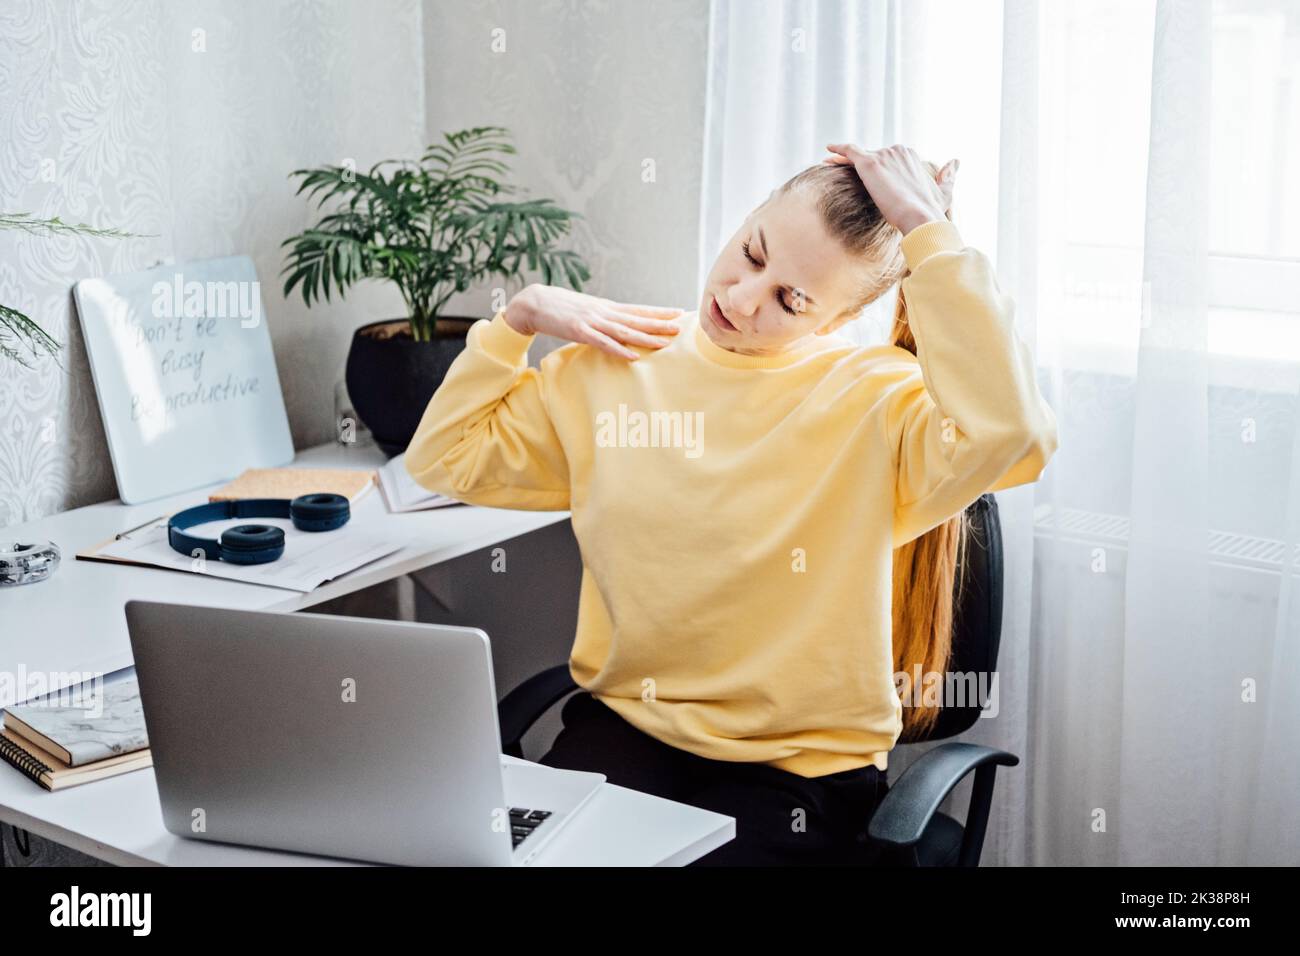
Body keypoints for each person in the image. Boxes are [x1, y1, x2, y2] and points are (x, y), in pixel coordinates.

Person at [405, 143, 1059, 866]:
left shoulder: (875, 399)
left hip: (793, 777)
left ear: (839, 319)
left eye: (792, 300)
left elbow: (1016, 433)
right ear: (746, 217)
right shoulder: (618, 361)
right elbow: (445, 458)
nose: (743, 299)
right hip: (624, 735)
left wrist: (927, 230)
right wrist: (517, 322)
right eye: (752, 253)